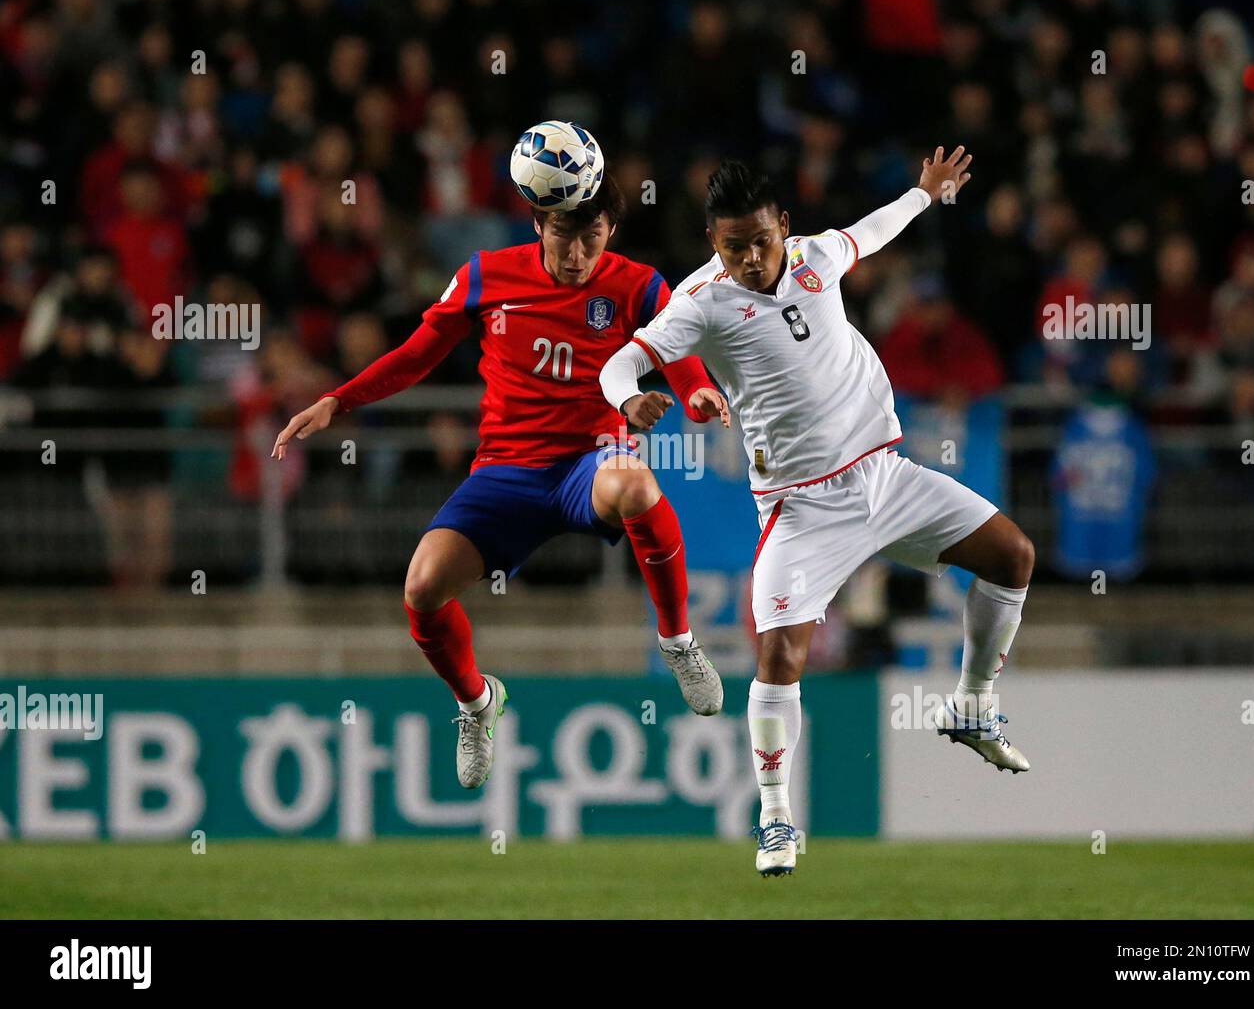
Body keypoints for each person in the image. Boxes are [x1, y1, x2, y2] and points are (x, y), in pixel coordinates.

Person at [600, 152, 1036, 876]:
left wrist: (925, 194)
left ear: (785, 228)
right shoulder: (701, 300)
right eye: (731, 244)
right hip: (802, 508)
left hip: (884, 476)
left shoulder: (817, 257)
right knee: (779, 654)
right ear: (713, 239)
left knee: (1012, 556)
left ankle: (973, 705)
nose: (747, 257)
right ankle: (775, 818)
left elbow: (874, 228)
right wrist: (629, 399)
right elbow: (622, 363)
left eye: (760, 241)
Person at [272, 177, 728, 790]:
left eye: (591, 240)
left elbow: (678, 351)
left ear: (609, 232)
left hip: (588, 462)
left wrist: (696, 390)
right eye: (565, 237)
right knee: (423, 588)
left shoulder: (638, 284)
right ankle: (477, 702)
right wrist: (338, 399)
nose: (576, 257)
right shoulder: (486, 275)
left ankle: (676, 638)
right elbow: (416, 354)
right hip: (505, 472)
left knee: (635, 484)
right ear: (538, 223)